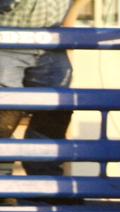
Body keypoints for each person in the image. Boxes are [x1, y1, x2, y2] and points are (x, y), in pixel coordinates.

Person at [1, 0, 73, 149]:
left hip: (52, 41)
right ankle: (3, 159)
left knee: (57, 105)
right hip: (7, 41)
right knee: (6, 104)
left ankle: (45, 166)